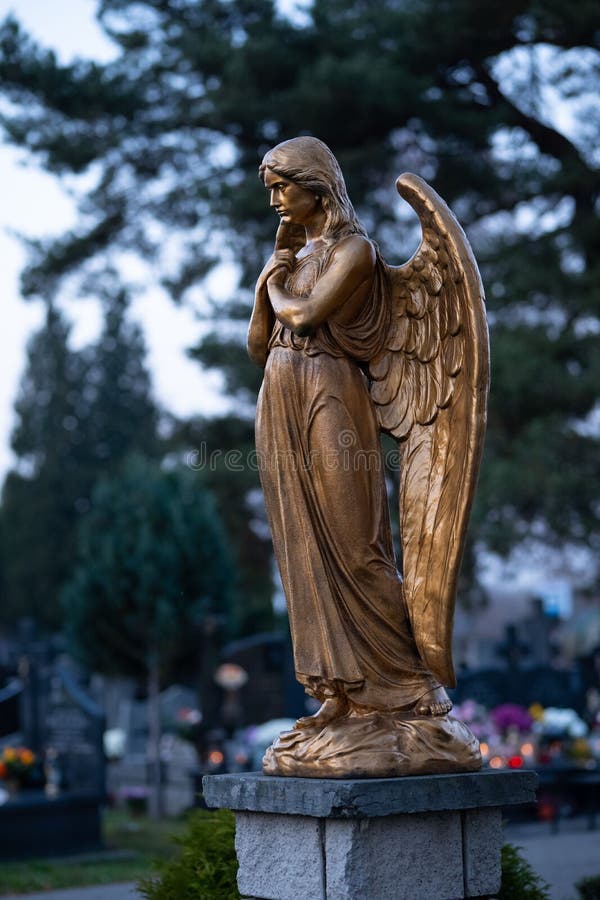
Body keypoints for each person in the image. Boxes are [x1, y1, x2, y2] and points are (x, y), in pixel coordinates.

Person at [248, 136, 452, 730]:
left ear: (316, 186)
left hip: (330, 392)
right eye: (271, 190)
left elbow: (304, 316)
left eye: (283, 187)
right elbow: (260, 346)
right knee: (303, 547)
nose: (276, 201)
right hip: (279, 397)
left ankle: (413, 682)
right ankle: (340, 690)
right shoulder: (292, 260)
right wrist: (271, 277)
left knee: (356, 543)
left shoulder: (355, 251)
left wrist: (275, 281)